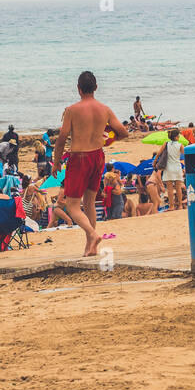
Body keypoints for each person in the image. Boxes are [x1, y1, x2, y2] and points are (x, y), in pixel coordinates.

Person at [53, 71, 128, 256]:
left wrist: (56, 162)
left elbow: (62, 139)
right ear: (96, 88)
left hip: (79, 158)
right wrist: (107, 140)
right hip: (97, 156)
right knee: (89, 204)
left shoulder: (72, 110)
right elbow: (123, 132)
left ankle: (93, 235)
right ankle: (90, 247)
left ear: (78, 89)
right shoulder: (105, 109)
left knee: (72, 205)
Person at [156, 129, 186, 210]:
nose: (179, 137)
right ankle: (180, 205)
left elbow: (159, 153)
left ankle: (171, 206)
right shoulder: (180, 145)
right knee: (178, 188)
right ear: (176, 137)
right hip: (177, 167)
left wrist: (155, 161)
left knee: (169, 189)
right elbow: (185, 154)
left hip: (168, 168)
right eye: (178, 136)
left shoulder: (166, 143)